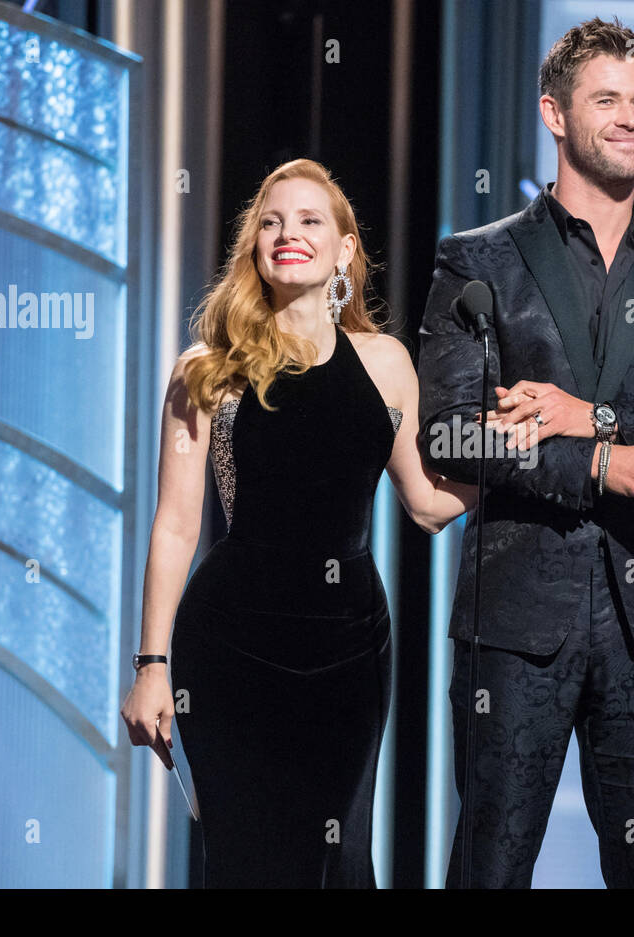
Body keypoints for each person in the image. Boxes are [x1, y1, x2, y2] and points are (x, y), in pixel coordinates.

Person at [417, 17, 634, 888]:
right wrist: (602, 464)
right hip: (516, 623)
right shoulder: (478, 261)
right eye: (607, 98)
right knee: (489, 868)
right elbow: (449, 434)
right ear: (555, 114)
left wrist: (593, 417)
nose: (631, 117)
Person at [121, 158, 476, 888]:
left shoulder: (386, 364)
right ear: (255, 246)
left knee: (337, 863)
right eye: (272, 222)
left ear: (345, 248)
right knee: (248, 862)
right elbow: (175, 526)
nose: (289, 234)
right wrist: (152, 668)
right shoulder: (206, 371)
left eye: (310, 220)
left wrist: (518, 463)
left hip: (347, 650)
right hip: (229, 650)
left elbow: (428, 503)